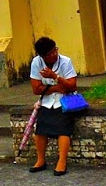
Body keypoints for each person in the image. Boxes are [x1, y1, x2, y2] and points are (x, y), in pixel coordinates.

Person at [27, 36, 78, 176]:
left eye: (55, 50)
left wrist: (55, 77)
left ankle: (62, 161)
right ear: (43, 56)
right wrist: (56, 87)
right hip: (47, 100)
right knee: (41, 129)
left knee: (63, 129)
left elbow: (72, 86)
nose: (54, 55)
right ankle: (41, 160)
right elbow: (36, 89)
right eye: (50, 54)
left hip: (65, 101)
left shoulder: (65, 61)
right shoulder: (36, 63)